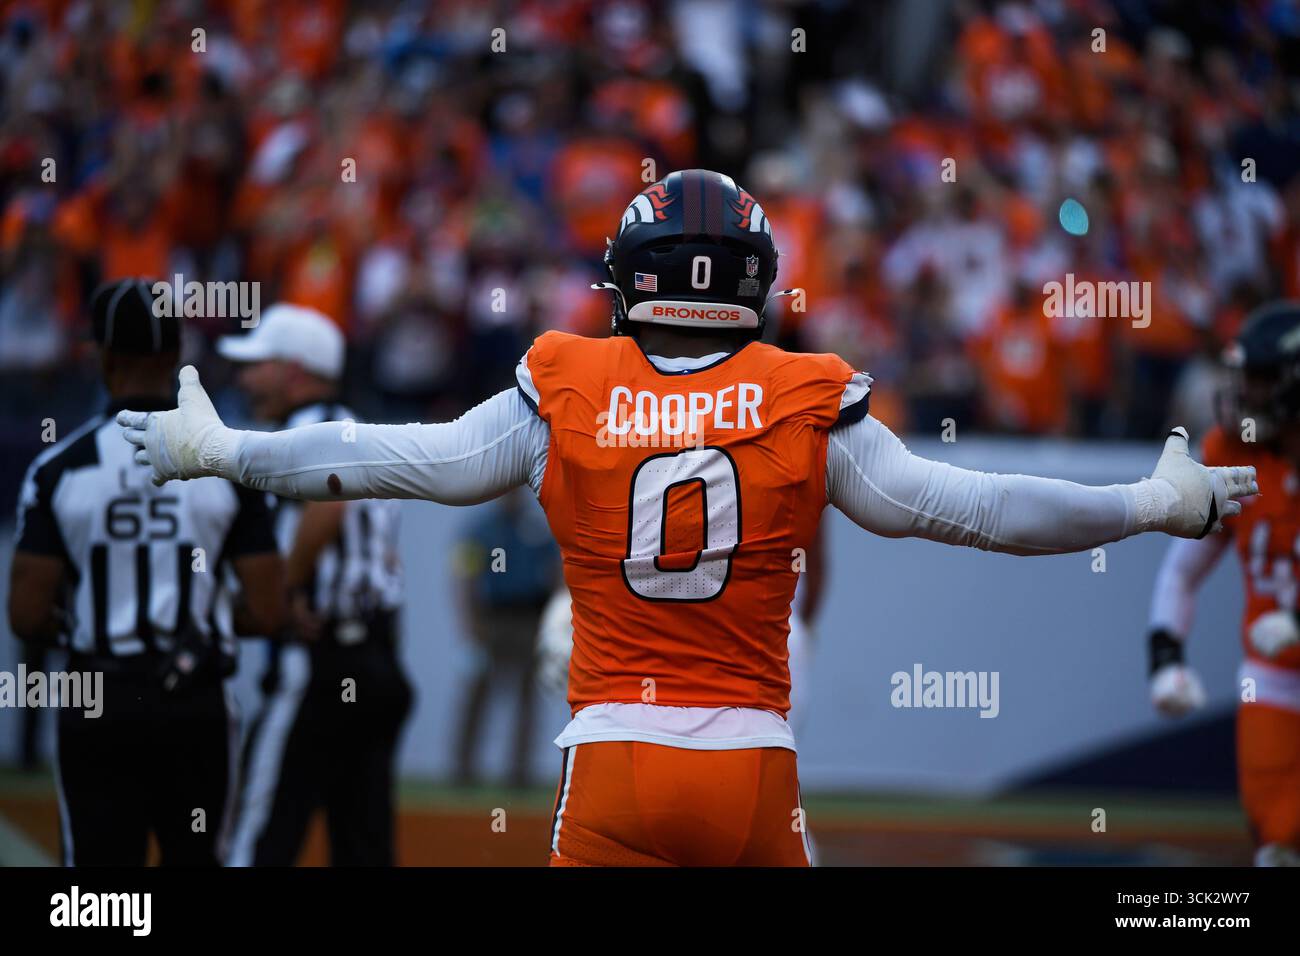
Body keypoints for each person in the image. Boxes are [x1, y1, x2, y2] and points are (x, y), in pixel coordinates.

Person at [119, 170, 1257, 867]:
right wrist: (1151, 503)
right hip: (750, 766)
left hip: (611, 757)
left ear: (631, 275)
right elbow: (974, 510)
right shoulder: (806, 391)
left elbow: (396, 459)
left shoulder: (564, 375)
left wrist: (225, 450)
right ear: (750, 278)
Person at [8, 278, 283, 865]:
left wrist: (97, 619)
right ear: (176, 355)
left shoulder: (60, 468)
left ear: (103, 355)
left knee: (100, 888)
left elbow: (27, 613)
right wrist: (200, 617)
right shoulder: (227, 464)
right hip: (196, 702)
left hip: (97, 699)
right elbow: (267, 608)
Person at [216, 304, 412, 867]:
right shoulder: (361, 427)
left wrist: (278, 595)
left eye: (259, 365)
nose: (246, 379)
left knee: (259, 838)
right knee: (364, 843)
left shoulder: (310, 433)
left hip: (319, 661)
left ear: (296, 370)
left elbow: (329, 506)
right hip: (376, 658)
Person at [1147, 301, 1300, 867]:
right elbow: (1182, 572)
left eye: (1259, 381)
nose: (1246, 396)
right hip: (1274, 681)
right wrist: (1165, 657)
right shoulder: (1234, 456)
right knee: (1277, 845)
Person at [452, 488, 559, 787]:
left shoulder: (539, 528)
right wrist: (470, 622)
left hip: (530, 619)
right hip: (492, 619)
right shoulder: (480, 529)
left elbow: (555, 574)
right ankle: (463, 769)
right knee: (477, 694)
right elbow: (464, 576)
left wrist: (552, 622)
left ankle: (520, 772)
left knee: (528, 697)